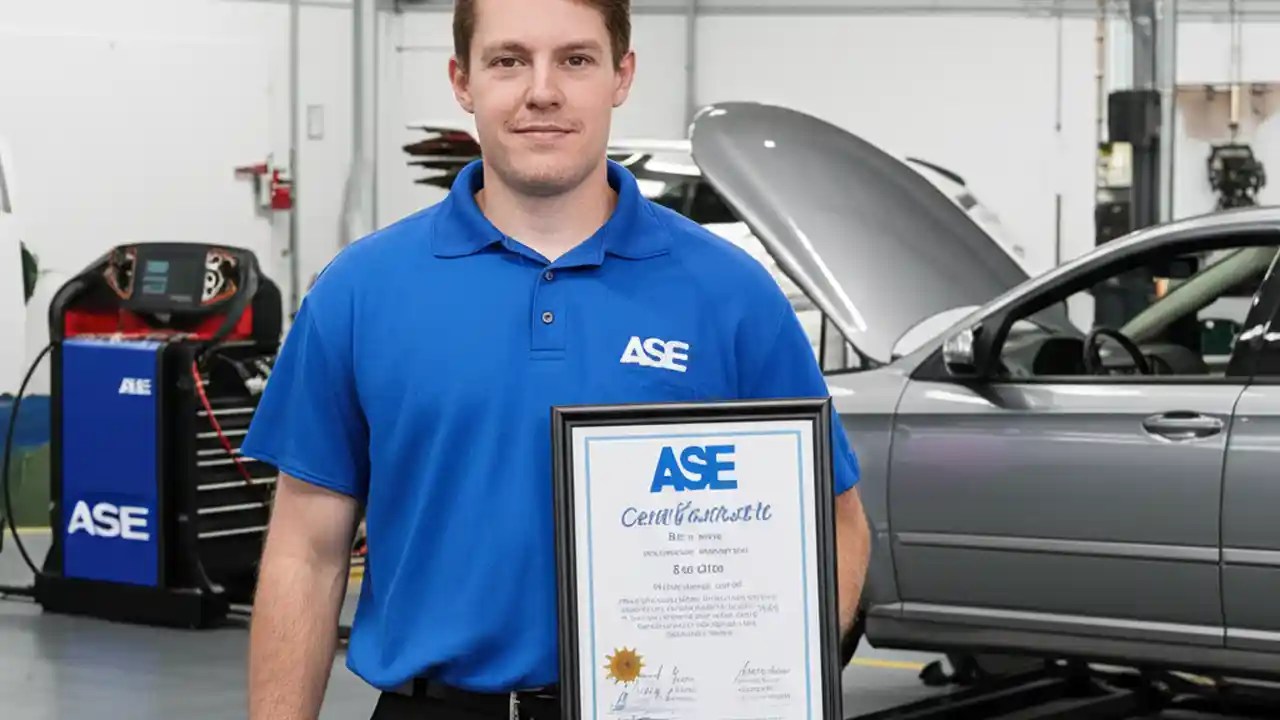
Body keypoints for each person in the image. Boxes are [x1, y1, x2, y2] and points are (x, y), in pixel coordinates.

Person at [241, 0, 872, 718]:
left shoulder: (730, 294)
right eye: (508, 60)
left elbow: (837, 518)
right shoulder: (361, 290)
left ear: (621, 76)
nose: (542, 91)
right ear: (461, 81)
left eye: (575, 59)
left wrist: (778, 670)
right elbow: (306, 552)